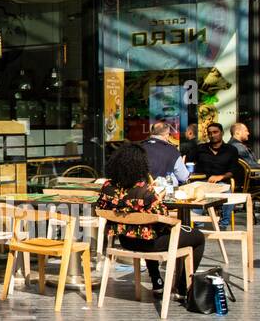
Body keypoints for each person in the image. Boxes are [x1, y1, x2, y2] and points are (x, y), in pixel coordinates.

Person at [97, 141, 204, 299]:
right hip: (151, 244)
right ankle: (182, 286)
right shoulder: (144, 191)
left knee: (147, 230)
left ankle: (157, 281)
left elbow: (101, 206)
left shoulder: (107, 187)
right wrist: (159, 199)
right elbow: (163, 218)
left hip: (125, 241)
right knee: (198, 237)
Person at [194, 122, 243, 228]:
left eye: (215, 132)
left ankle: (223, 224)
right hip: (202, 181)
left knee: (228, 194)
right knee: (196, 194)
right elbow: (188, 162)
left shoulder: (231, 150)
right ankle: (198, 224)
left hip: (221, 183)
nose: (212, 135)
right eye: (210, 133)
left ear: (222, 133)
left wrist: (221, 177)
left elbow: (233, 170)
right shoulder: (200, 149)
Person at [141, 120, 190, 185]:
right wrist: (182, 164)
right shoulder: (172, 151)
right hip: (164, 192)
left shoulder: (139, 148)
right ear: (167, 135)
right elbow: (183, 177)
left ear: (151, 133)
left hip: (141, 191)